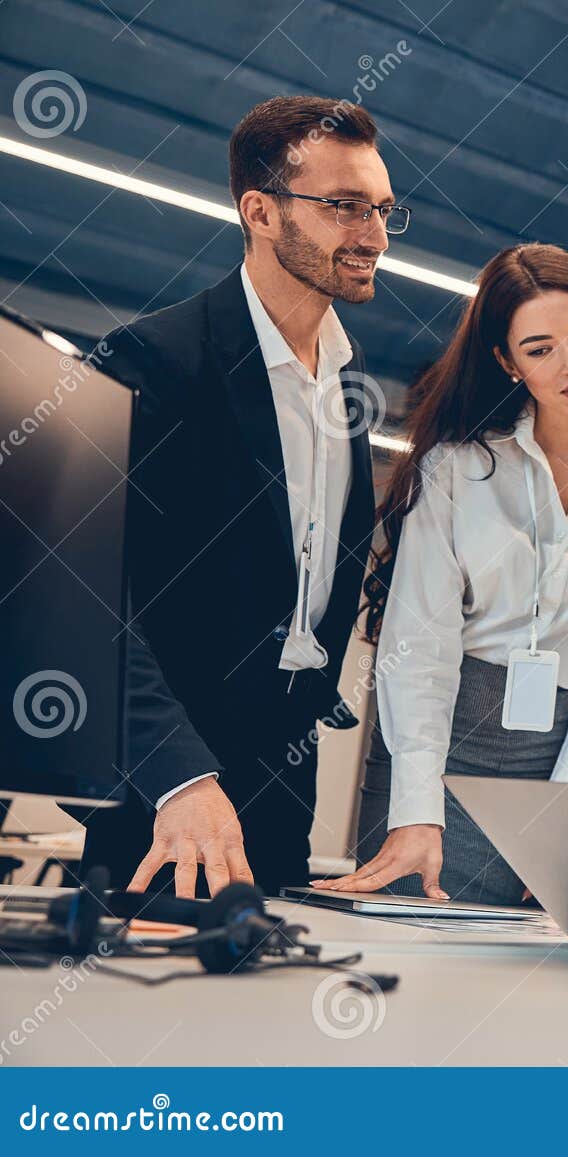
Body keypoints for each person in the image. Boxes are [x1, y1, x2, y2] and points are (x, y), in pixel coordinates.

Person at [80, 96, 398, 898]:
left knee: (266, 1011)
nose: (374, 235)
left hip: (282, 775)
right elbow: (88, 599)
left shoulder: (347, 380)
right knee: (137, 1011)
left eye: (384, 209)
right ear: (259, 210)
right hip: (162, 791)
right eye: (345, 207)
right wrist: (178, 777)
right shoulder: (153, 360)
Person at [312, 244, 568, 906]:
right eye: (540, 349)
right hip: (435, 743)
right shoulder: (459, 467)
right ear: (508, 363)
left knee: (520, 972)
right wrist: (418, 806)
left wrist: (565, 814)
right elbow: (419, 643)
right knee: (409, 947)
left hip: (557, 754)